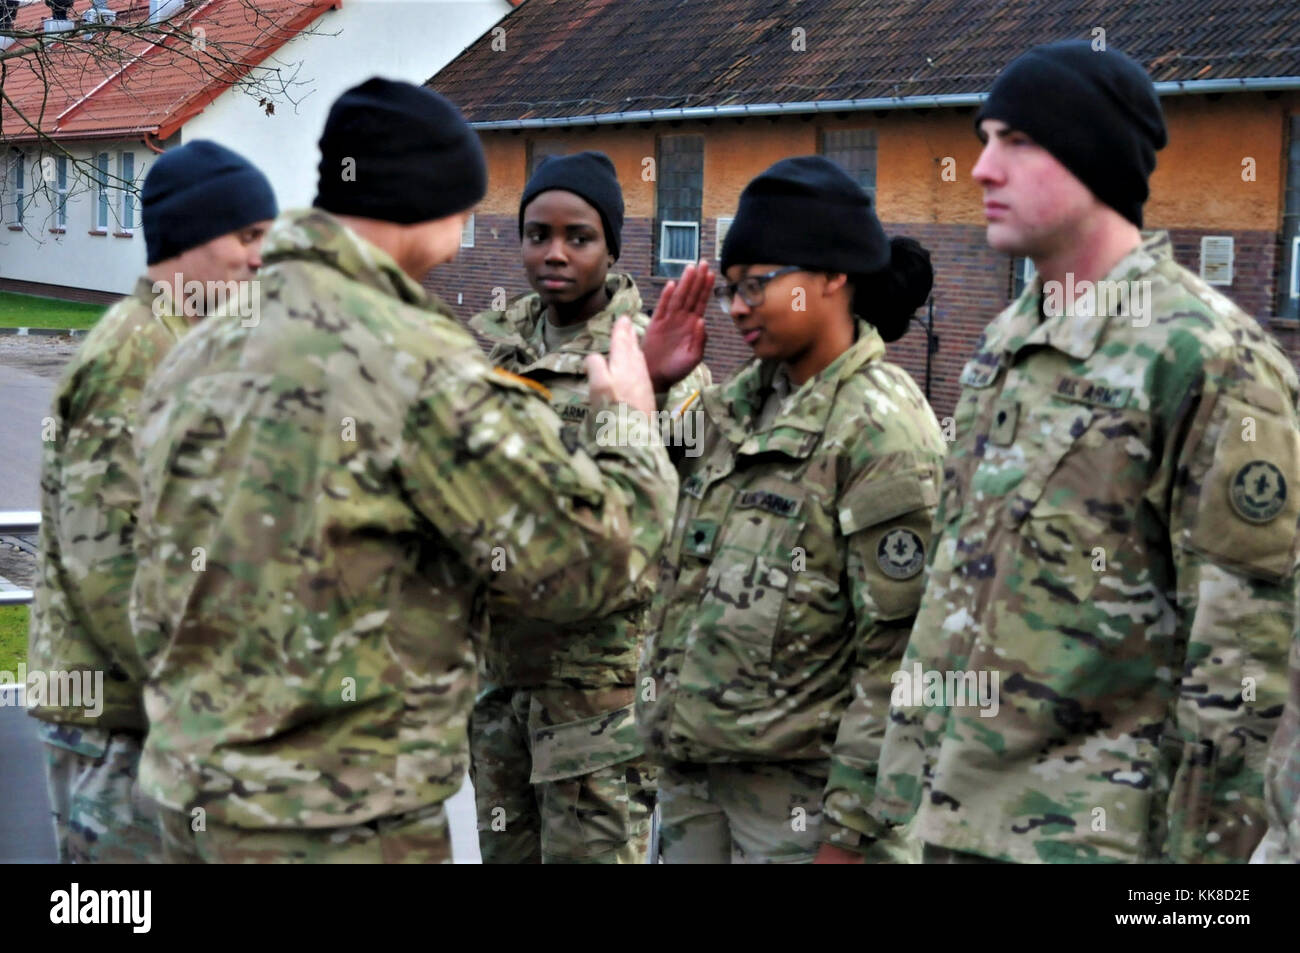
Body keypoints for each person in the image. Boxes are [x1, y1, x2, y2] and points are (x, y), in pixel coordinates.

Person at [128, 78, 679, 864]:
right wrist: (627, 415)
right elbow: (591, 562)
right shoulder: (415, 363)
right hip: (342, 816)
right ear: (436, 206)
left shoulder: (202, 342)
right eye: (468, 210)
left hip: (195, 797)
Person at [872, 40, 1300, 864]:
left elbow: (1240, 669)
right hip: (959, 819)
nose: (981, 170)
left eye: (1017, 143)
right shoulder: (1008, 340)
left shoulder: (1208, 359)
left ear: (1093, 160)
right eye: (983, 138)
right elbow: (954, 588)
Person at [637, 156, 944, 863]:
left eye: (758, 284)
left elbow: (903, 660)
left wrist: (852, 835)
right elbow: (620, 509)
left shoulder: (881, 430)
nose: (738, 306)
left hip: (806, 813)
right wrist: (650, 383)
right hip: (696, 786)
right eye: (731, 289)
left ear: (833, 276)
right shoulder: (735, 408)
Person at [26, 140, 277, 863]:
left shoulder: (186, 343)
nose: (261, 259)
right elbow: (105, 560)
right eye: (247, 237)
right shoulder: (136, 353)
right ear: (192, 236)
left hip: (155, 712)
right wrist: (200, 700)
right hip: (116, 719)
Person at [467, 151, 711, 863]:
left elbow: (691, 487)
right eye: (537, 233)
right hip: (501, 685)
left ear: (611, 247)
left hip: (598, 699)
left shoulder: (643, 350)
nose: (554, 253)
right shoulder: (500, 349)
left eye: (579, 237)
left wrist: (663, 391)